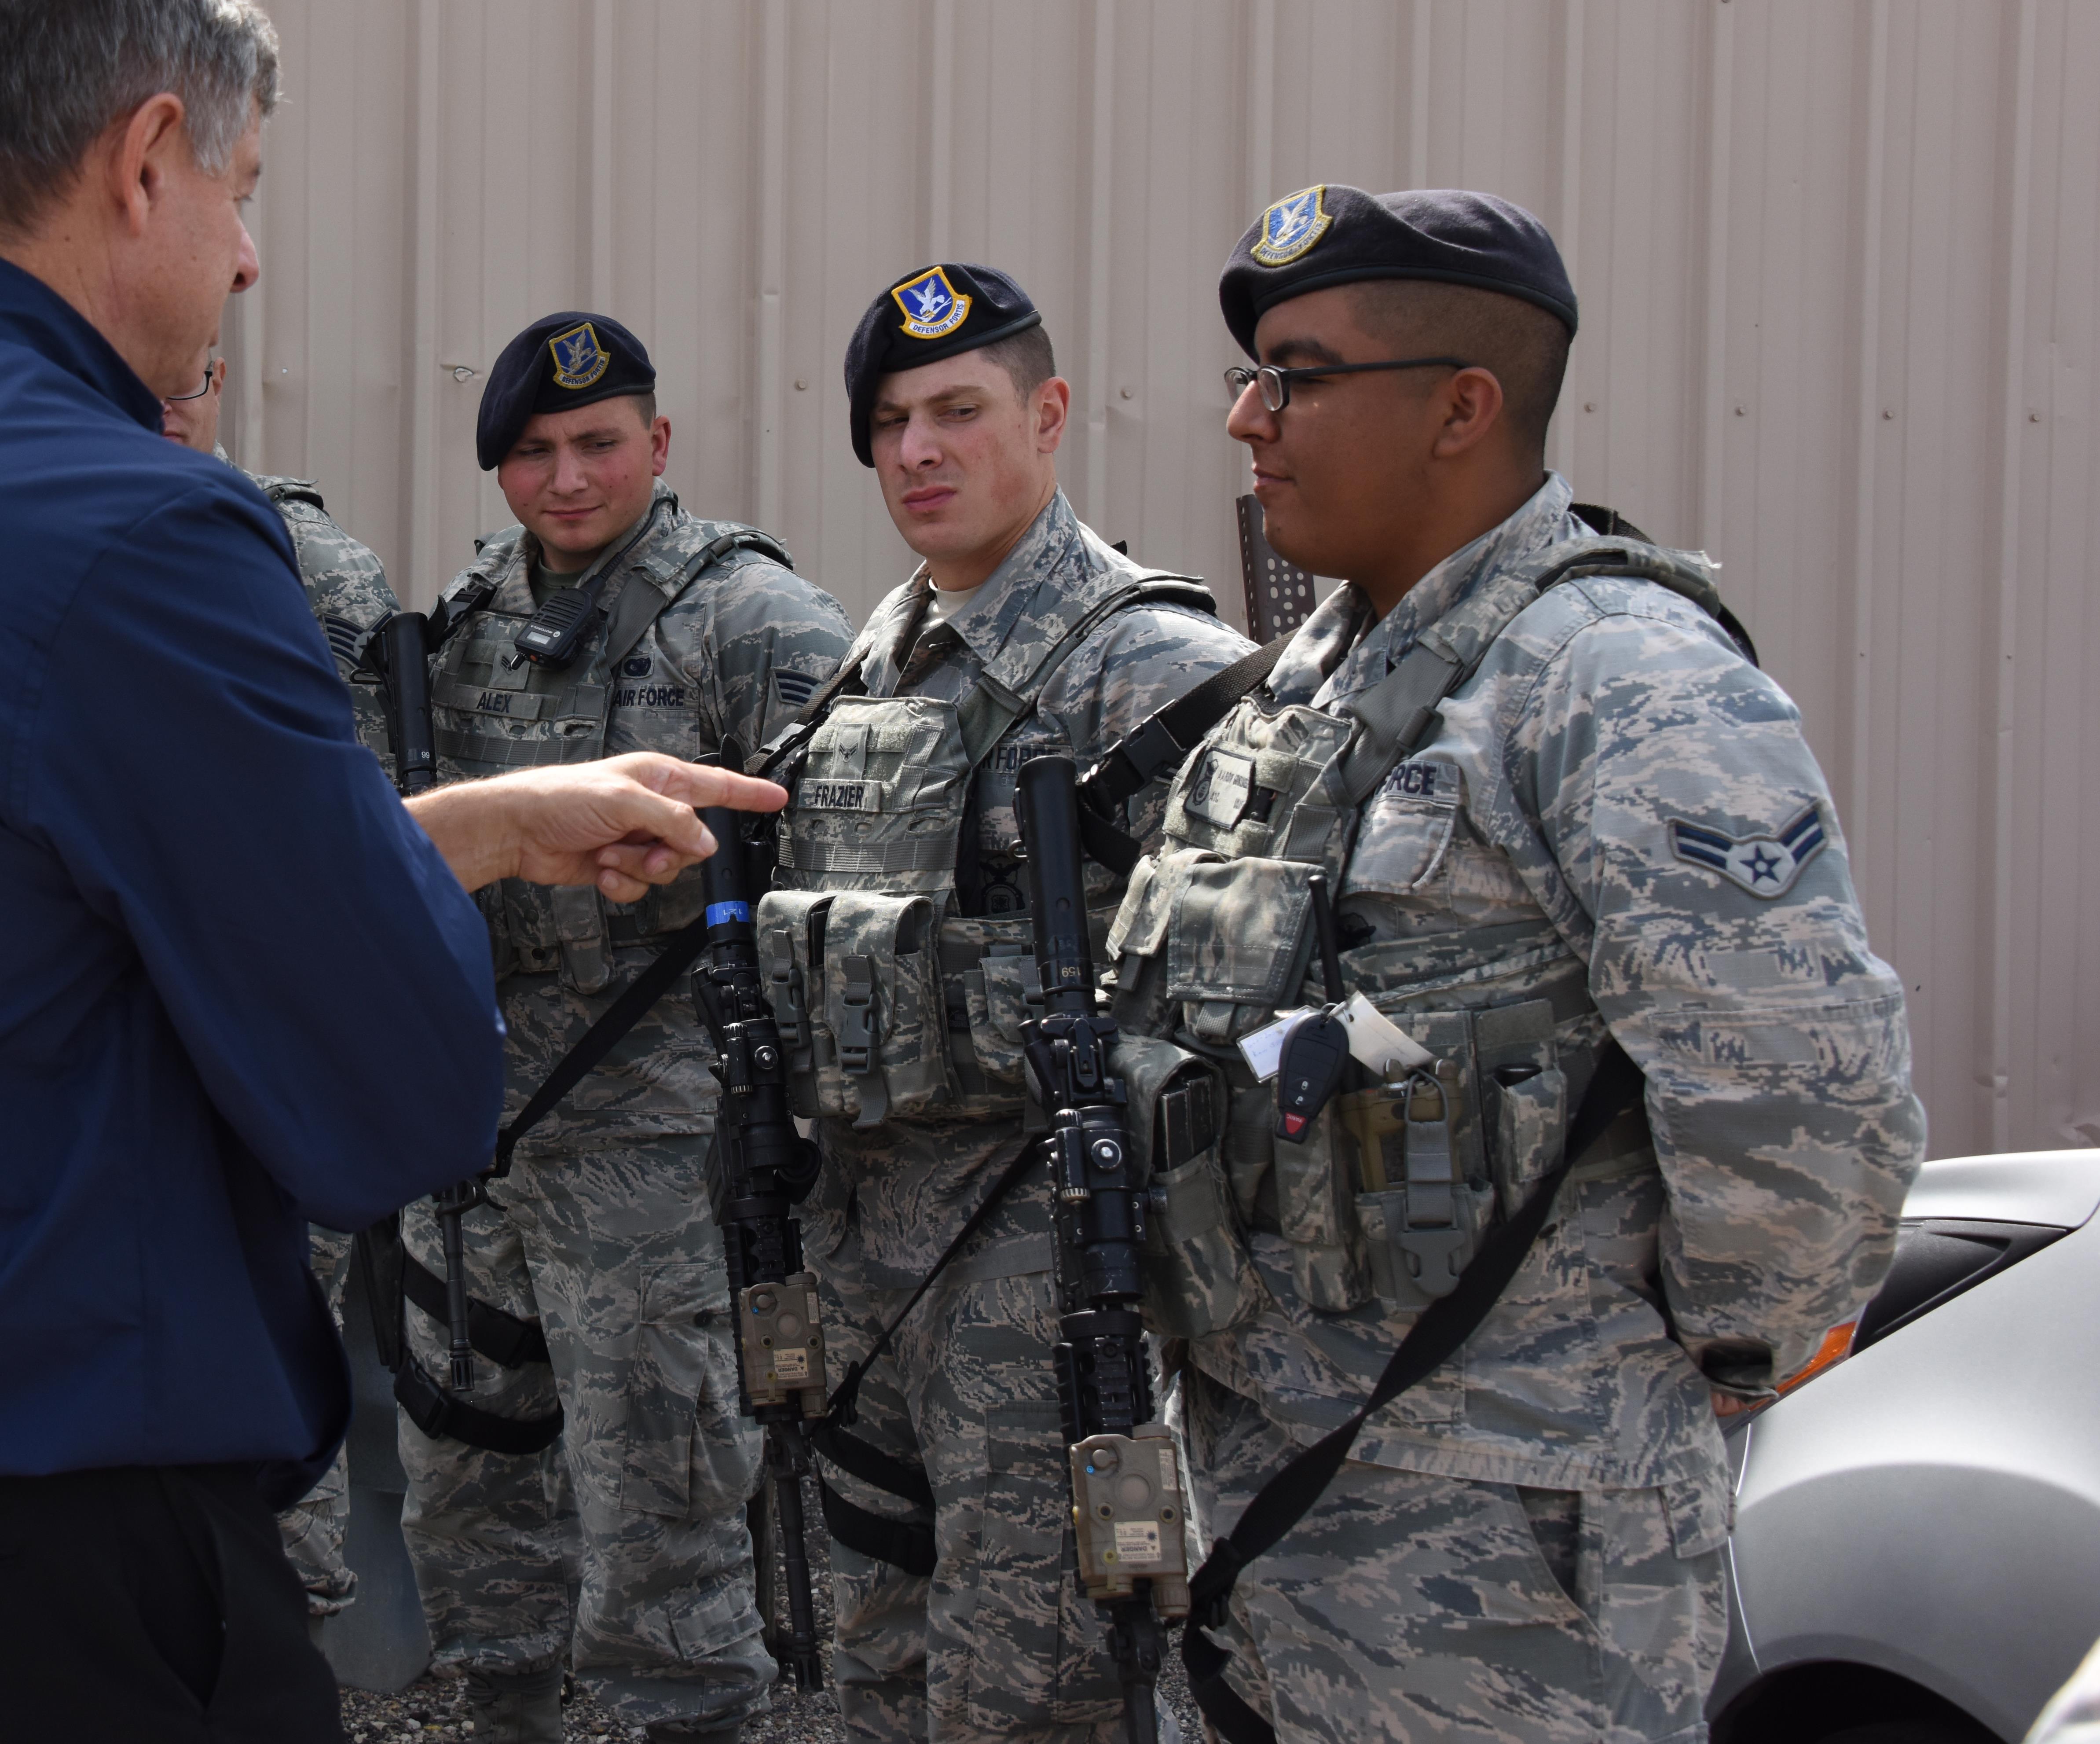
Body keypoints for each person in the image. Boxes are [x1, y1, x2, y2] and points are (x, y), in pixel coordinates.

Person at [0, 0, 779, 1744]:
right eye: (241, 187)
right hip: (14, 1560)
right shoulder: (130, 528)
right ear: (144, 160)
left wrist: (471, 822)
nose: (245, 260)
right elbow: (392, 1099)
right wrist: (402, 904)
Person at [1107, 185, 1925, 1741]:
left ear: (1461, 408)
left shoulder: (1618, 676)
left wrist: (1703, 1355)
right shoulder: (1312, 685)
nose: (1245, 420)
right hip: (1270, 1490)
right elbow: (1296, 1028)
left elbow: (1796, 1092)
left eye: (1295, 379)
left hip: (1507, 1526)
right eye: (1252, 378)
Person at [761, 263, 1253, 1742]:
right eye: (890, 422)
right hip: (866, 1255)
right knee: (879, 1660)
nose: (918, 450)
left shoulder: (1158, 675)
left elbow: (1249, 1006)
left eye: (958, 411)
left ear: (1048, 416)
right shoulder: (873, 664)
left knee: (1036, 1690)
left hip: (1046, 1284)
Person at [392, 312, 853, 1744]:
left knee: (663, 1471)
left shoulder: (754, 617)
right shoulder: (466, 618)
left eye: (599, 443)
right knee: (468, 1455)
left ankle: (689, 1713)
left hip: (657, 1129)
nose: (570, 478)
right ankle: (503, 1705)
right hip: (479, 1113)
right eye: (534, 451)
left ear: (658, 443)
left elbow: (846, 862)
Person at [161, 354, 400, 1622]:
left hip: (263, 1052)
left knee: (259, 1353)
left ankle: (275, 1625)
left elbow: (364, 822)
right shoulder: (13, 542)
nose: (167, 405)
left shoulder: (305, 567)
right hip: (93, 1055)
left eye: (191, 380)